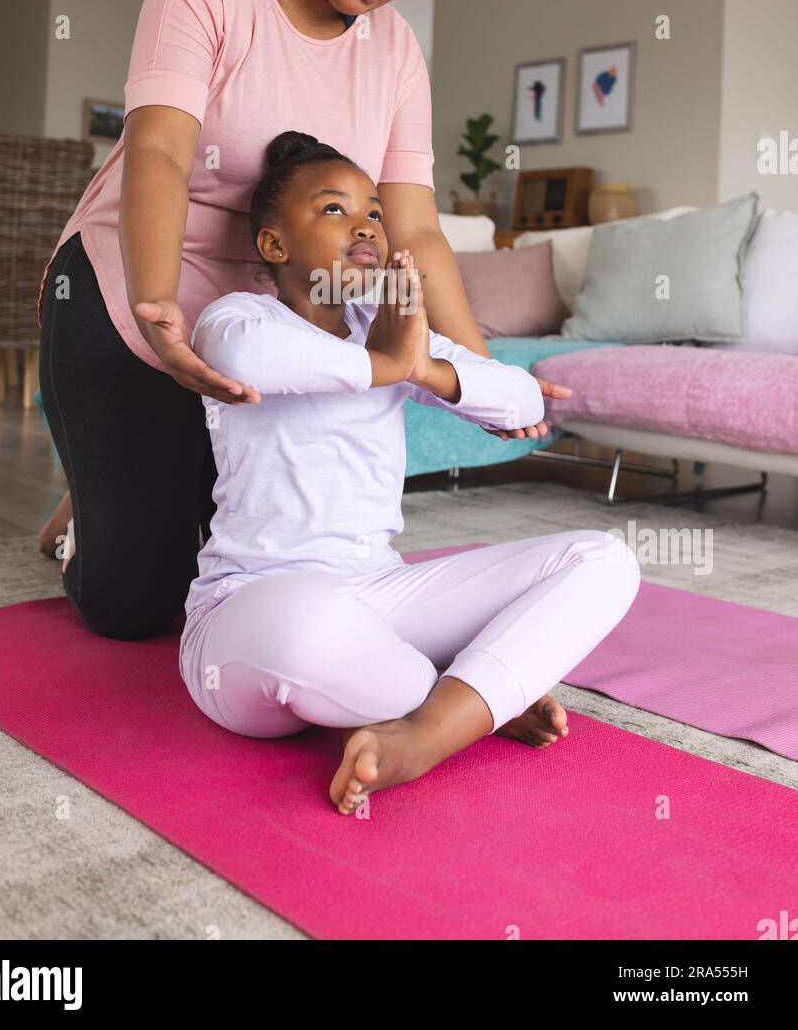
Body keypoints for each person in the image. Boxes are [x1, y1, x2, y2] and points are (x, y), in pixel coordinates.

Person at [37, 0, 572, 640]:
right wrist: (158, 309)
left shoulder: (394, 52)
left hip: (274, 330)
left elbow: (417, 230)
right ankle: (92, 508)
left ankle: (134, 477)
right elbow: (161, 154)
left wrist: (481, 377)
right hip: (129, 289)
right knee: (134, 604)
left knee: (274, 575)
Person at [178, 130, 642, 814]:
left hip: (381, 595)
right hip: (252, 608)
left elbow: (519, 399)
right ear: (274, 247)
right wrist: (398, 362)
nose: (365, 225)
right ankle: (475, 698)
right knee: (306, 625)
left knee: (603, 561)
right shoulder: (235, 321)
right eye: (334, 210)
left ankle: (425, 734)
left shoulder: (388, 329)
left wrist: (422, 365)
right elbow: (254, 364)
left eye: (372, 211)